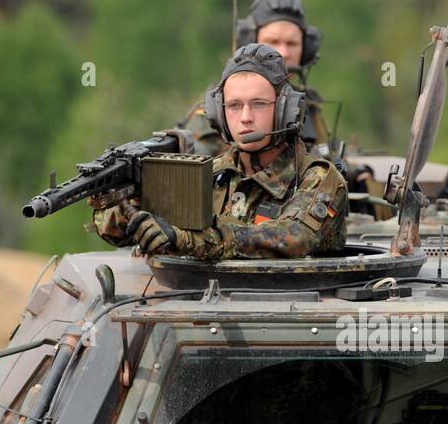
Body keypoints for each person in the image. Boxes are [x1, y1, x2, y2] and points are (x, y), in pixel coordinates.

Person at [93, 44, 347, 262]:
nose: (245, 118)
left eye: (259, 104)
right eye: (234, 106)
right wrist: (126, 197)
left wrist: (189, 239)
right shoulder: (210, 175)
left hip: (291, 307)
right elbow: (114, 231)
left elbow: (292, 238)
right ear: (219, 113)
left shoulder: (318, 178)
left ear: (286, 110)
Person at [178, 0, 331, 157]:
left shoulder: (309, 105)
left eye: (292, 43)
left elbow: (327, 155)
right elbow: (197, 155)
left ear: (306, 49)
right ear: (251, 43)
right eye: (273, 42)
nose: (284, 53)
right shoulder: (223, 104)